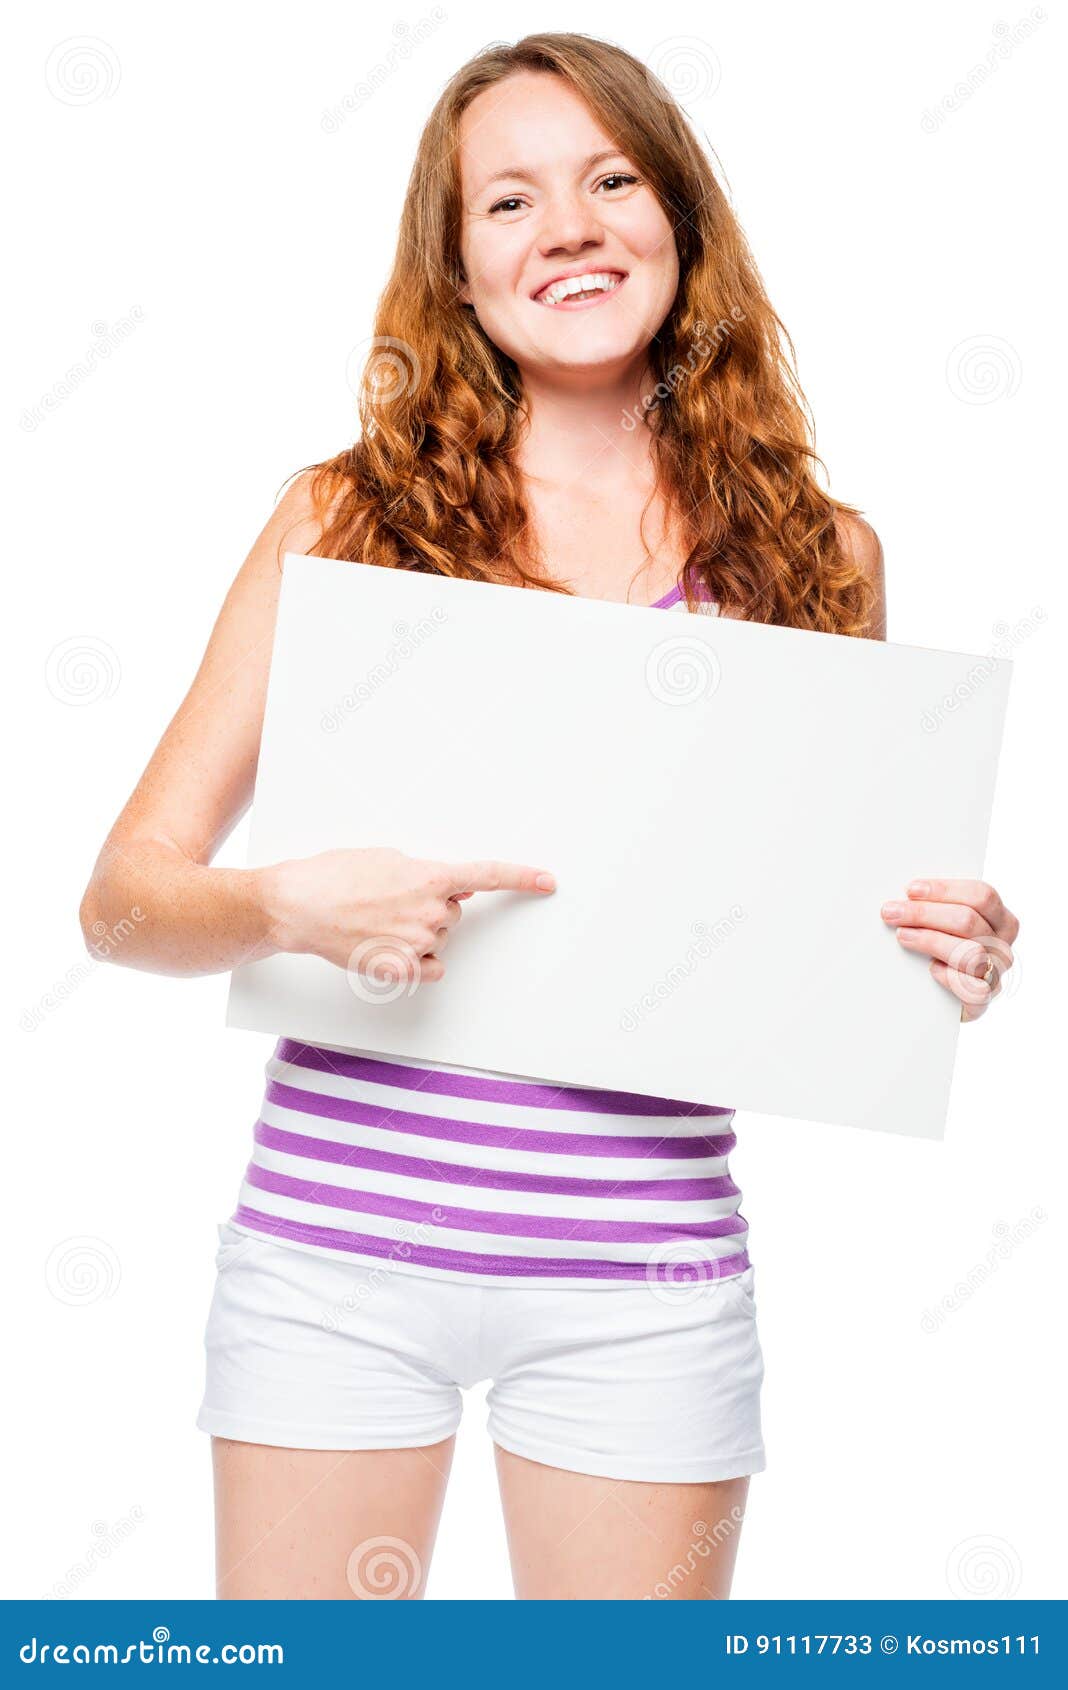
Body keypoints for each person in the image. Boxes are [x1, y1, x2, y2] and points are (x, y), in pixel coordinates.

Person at [78, 32, 1019, 1601]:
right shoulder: (348, 521)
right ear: (455, 267)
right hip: (332, 1265)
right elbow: (120, 901)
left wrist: (941, 954)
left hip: (645, 1281)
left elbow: (814, 956)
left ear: (681, 222)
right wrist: (285, 907)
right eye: (509, 201)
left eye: (612, 181)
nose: (568, 228)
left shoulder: (816, 557)